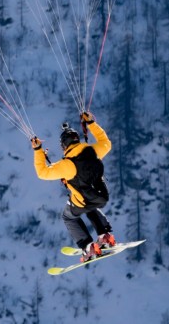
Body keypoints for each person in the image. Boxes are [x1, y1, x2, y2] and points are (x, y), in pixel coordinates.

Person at [30, 111, 115, 263]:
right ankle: (105, 237)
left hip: (82, 201)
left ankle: (89, 247)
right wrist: (91, 123)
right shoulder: (93, 151)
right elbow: (106, 142)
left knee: (68, 216)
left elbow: (43, 173)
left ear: (64, 145)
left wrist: (38, 151)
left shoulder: (67, 165)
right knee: (90, 206)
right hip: (102, 196)